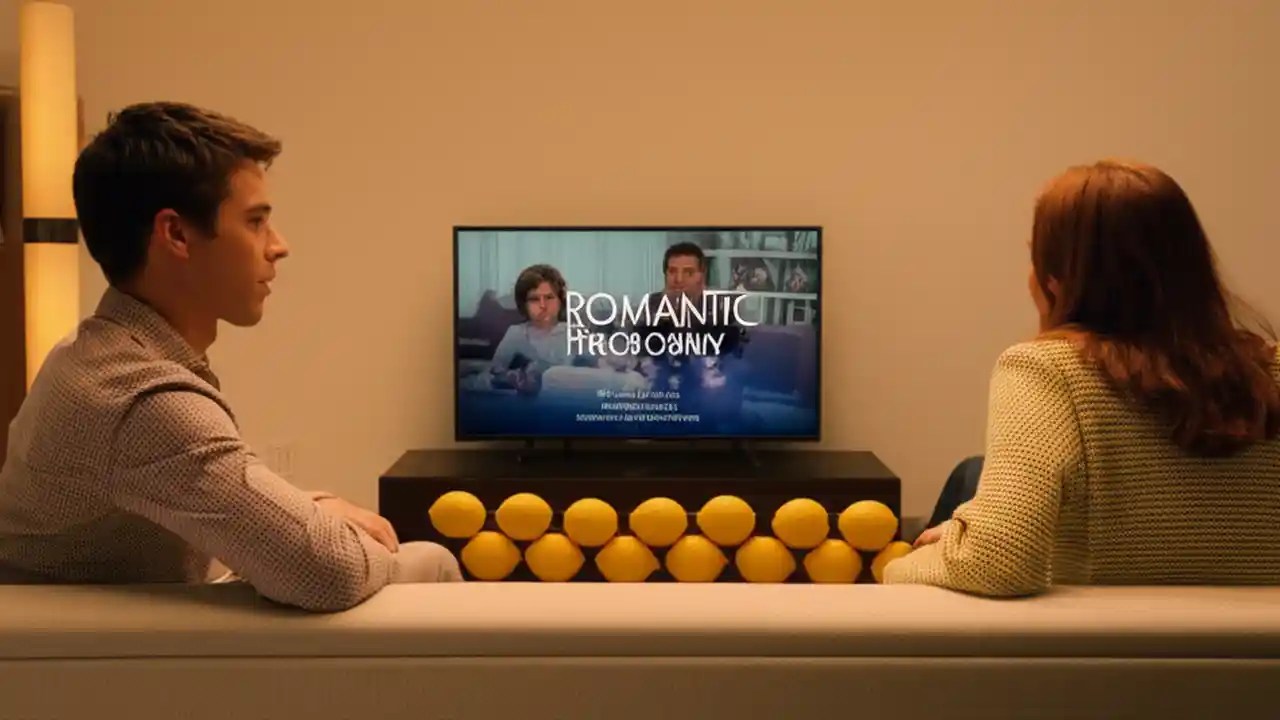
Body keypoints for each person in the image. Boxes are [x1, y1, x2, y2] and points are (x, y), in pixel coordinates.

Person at [0, 102, 460, 611]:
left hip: (86, 654)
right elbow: (327, 571)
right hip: (112, 677)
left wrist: (308, 508)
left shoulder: (94, 356)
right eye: (256, 221)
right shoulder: (141, 401)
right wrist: (322, 527)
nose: (278, 246)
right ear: (176, 234)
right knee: (429, 560)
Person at [886, 159, 1280, 596]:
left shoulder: (1045, 371)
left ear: (1055, 283)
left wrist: (901, 567)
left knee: (968, 483)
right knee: (971, 475)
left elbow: (998, 564)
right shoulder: (1272, 370)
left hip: (1109, 657)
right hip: (1260, 658)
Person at [489, 264, 576, 394]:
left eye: (549, 297)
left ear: (560, 300)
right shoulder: (516, 334)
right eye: (534, 299)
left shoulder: (575, 333)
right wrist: (513, 379)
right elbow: (494, 374)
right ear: (523, 304)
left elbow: (602, 367)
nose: (543, 305)